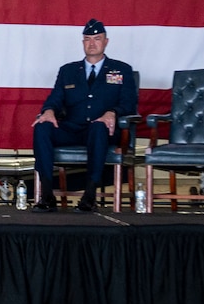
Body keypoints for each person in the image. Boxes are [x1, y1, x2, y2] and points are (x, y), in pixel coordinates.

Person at [31, 19, 137, 212]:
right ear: (82, 42)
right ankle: (47, 195)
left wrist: (112, 113)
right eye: (87, 39)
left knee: (98, 128)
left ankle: (89, 196)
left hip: (102, 131)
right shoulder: (68, 71)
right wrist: (48, 111)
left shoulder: (121, 70)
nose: (92, 43)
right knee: (42, 127)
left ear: (106, 41)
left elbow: (129, 104)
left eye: (97, 39)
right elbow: (55, 98)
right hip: (72, 128)